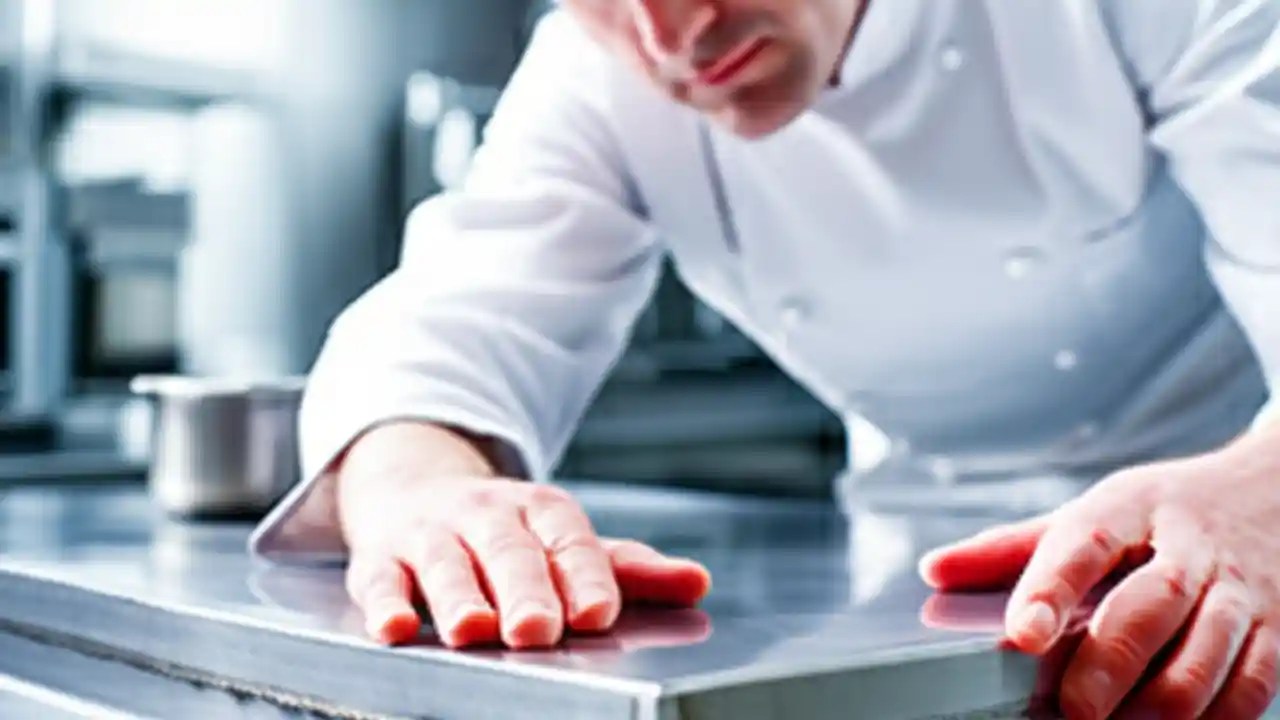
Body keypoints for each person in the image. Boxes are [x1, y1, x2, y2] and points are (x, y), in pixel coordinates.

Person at [252, 1, 1280, 717]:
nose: (666, 37)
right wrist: (415, 484)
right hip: (911, 589)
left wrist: (1258, 491)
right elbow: (451, 316)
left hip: (1231, 564)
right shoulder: (596, 68)